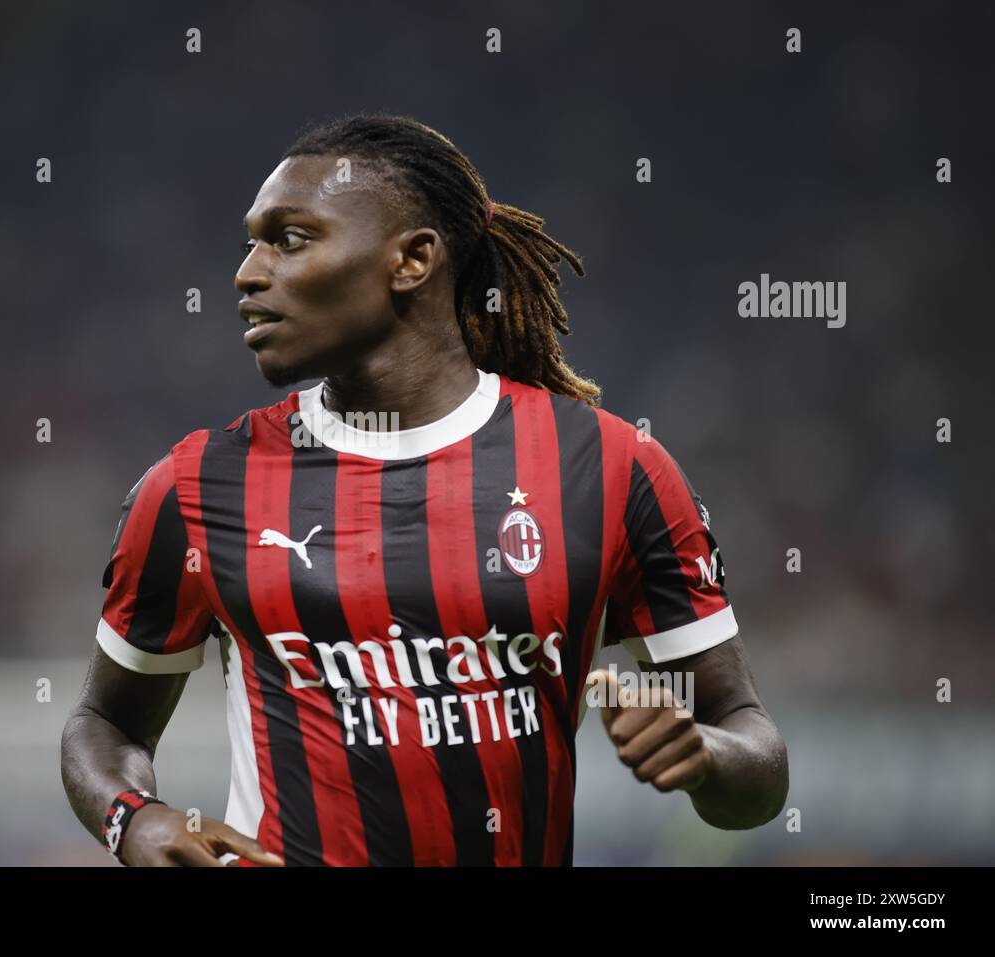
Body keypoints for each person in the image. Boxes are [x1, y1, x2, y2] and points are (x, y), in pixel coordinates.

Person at [60, 113, 788, 866]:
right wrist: (133, 819)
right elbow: (104, 723)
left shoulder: (611, 467)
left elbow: (756, 763)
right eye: (250, 242)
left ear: (411, 259)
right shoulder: (193, 488)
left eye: (289, 238)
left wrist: (702, 751)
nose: (248, 272)